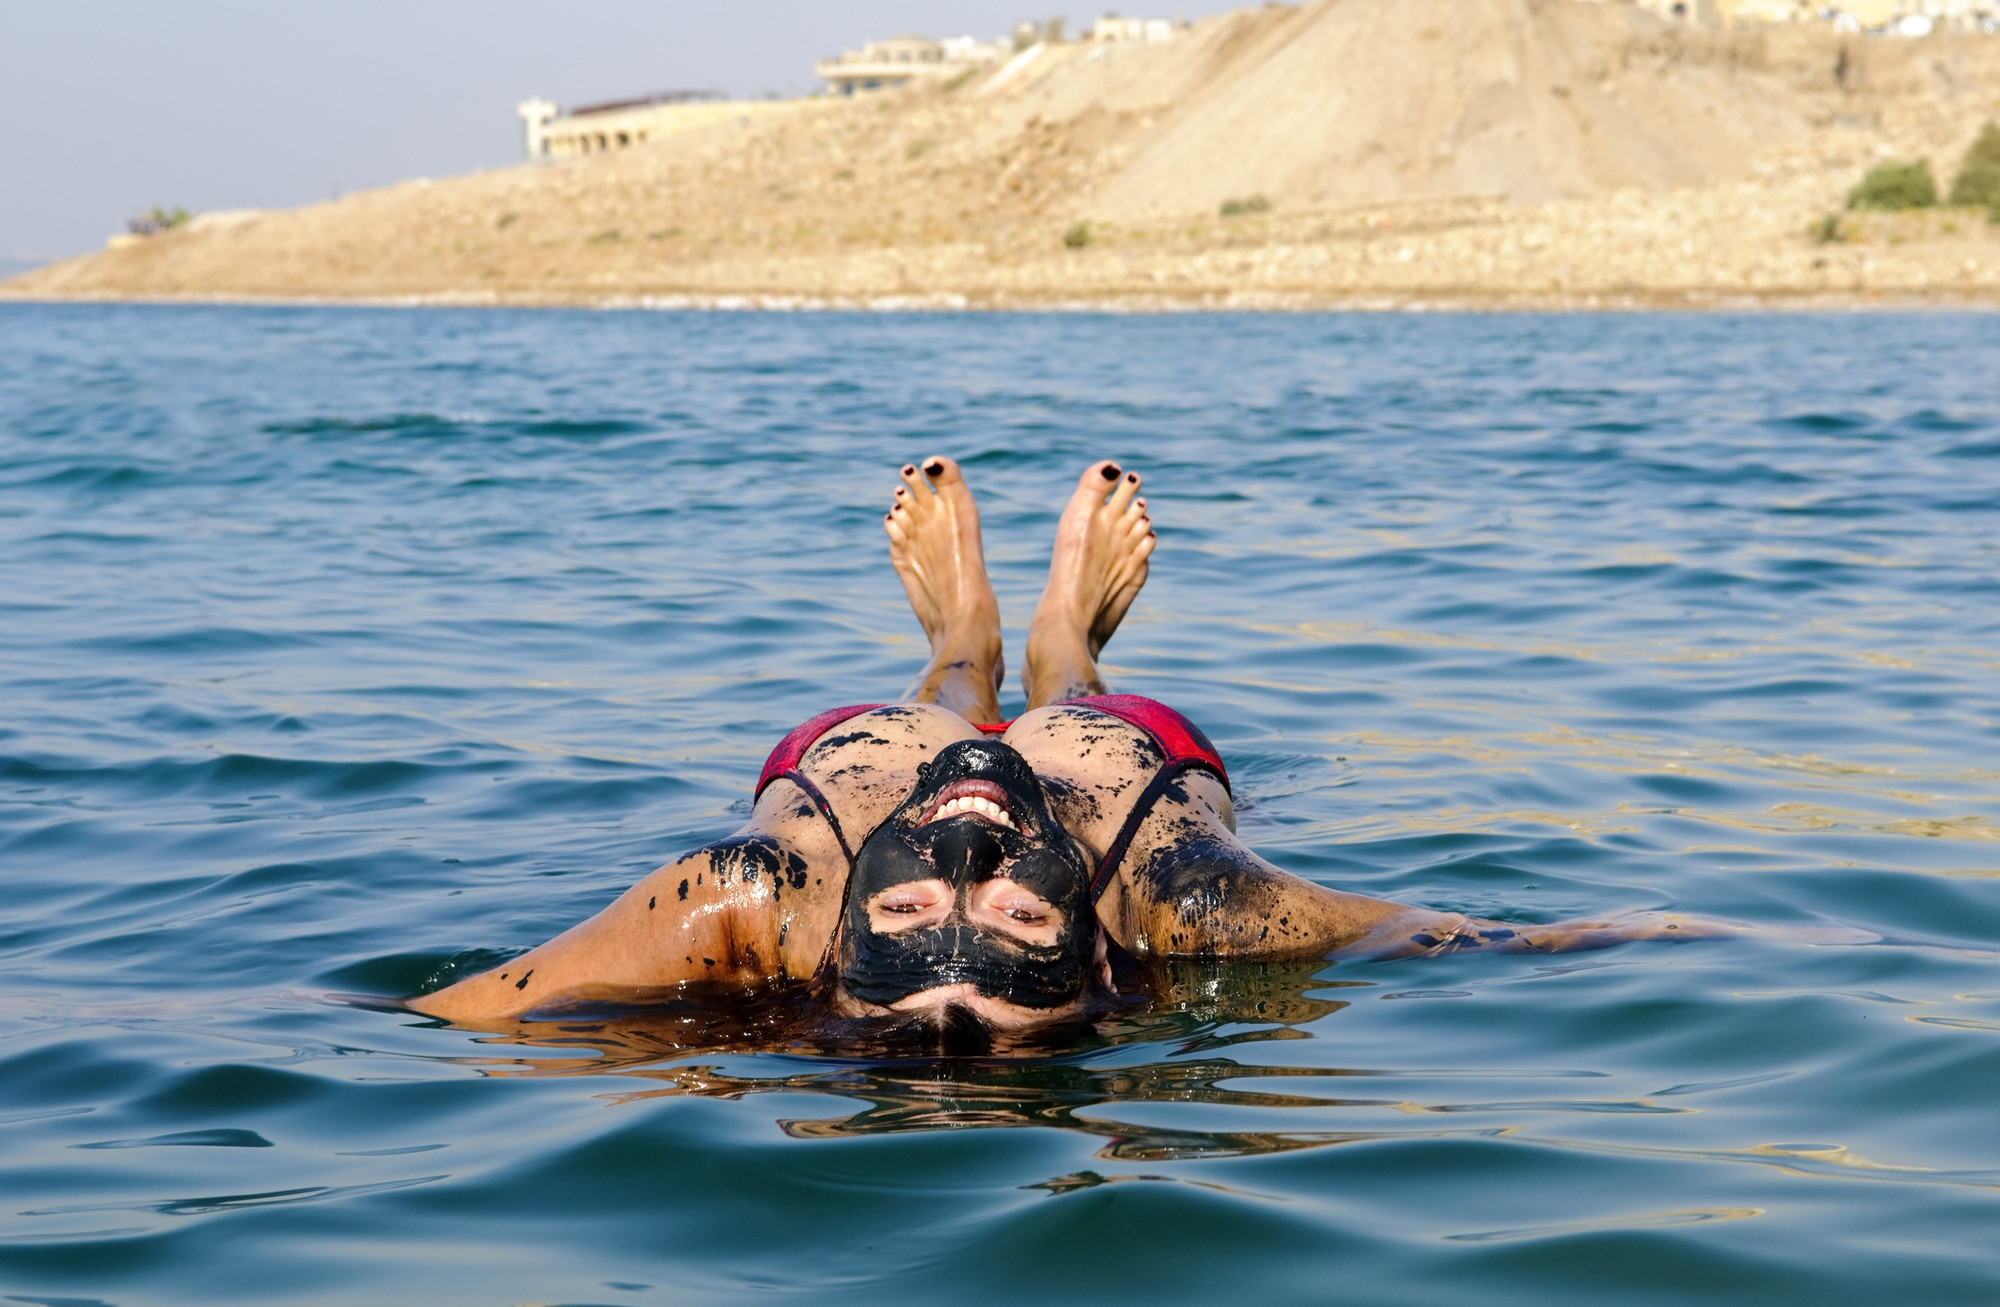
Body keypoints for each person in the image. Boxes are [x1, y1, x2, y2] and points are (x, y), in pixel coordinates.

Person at [410, 458, 1710, 1032]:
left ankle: (958, 634)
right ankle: (1066, 638)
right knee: (1074, 720)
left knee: (935, 708)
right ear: (1094, 947)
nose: (972, 827)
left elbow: (439, 1021)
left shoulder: (750, 905)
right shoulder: (1190, 907)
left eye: (918, 891)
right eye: (1024, 917)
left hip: (858, 765)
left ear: (842, 940)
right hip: (1115, 778)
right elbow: (1494, 942)